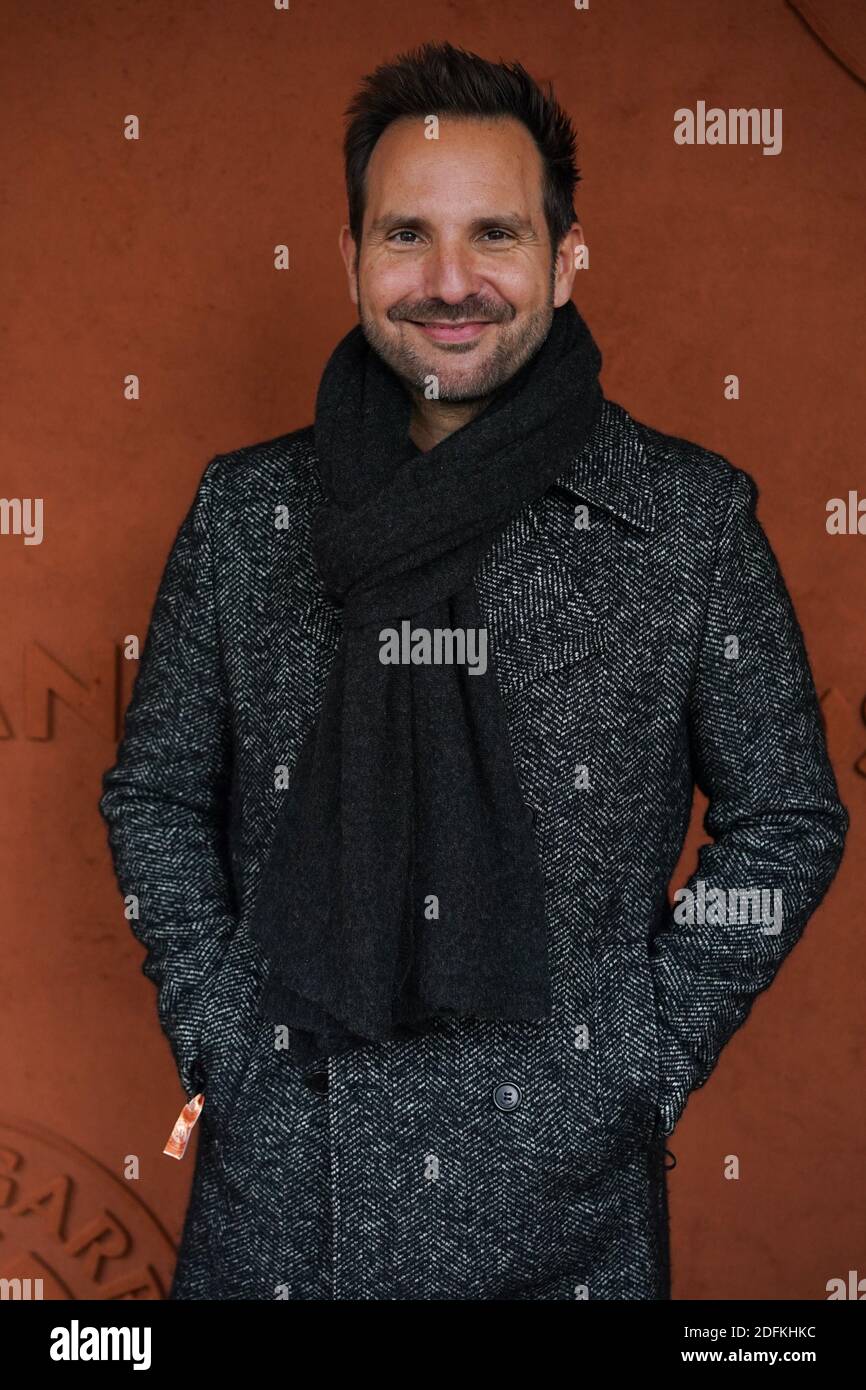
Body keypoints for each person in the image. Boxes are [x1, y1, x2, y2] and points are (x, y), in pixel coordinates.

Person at [98, 40, 848, 1301]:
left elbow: (785, 822)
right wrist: (218, 1030)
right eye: (405, 237)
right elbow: (156, 796)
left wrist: (642, 1054)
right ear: (348, 260)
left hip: (564, 1214)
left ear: (563, 259)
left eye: (493, 234)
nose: (449, 283)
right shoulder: (246, 514)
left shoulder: (684, 520)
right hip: (281, 1194)